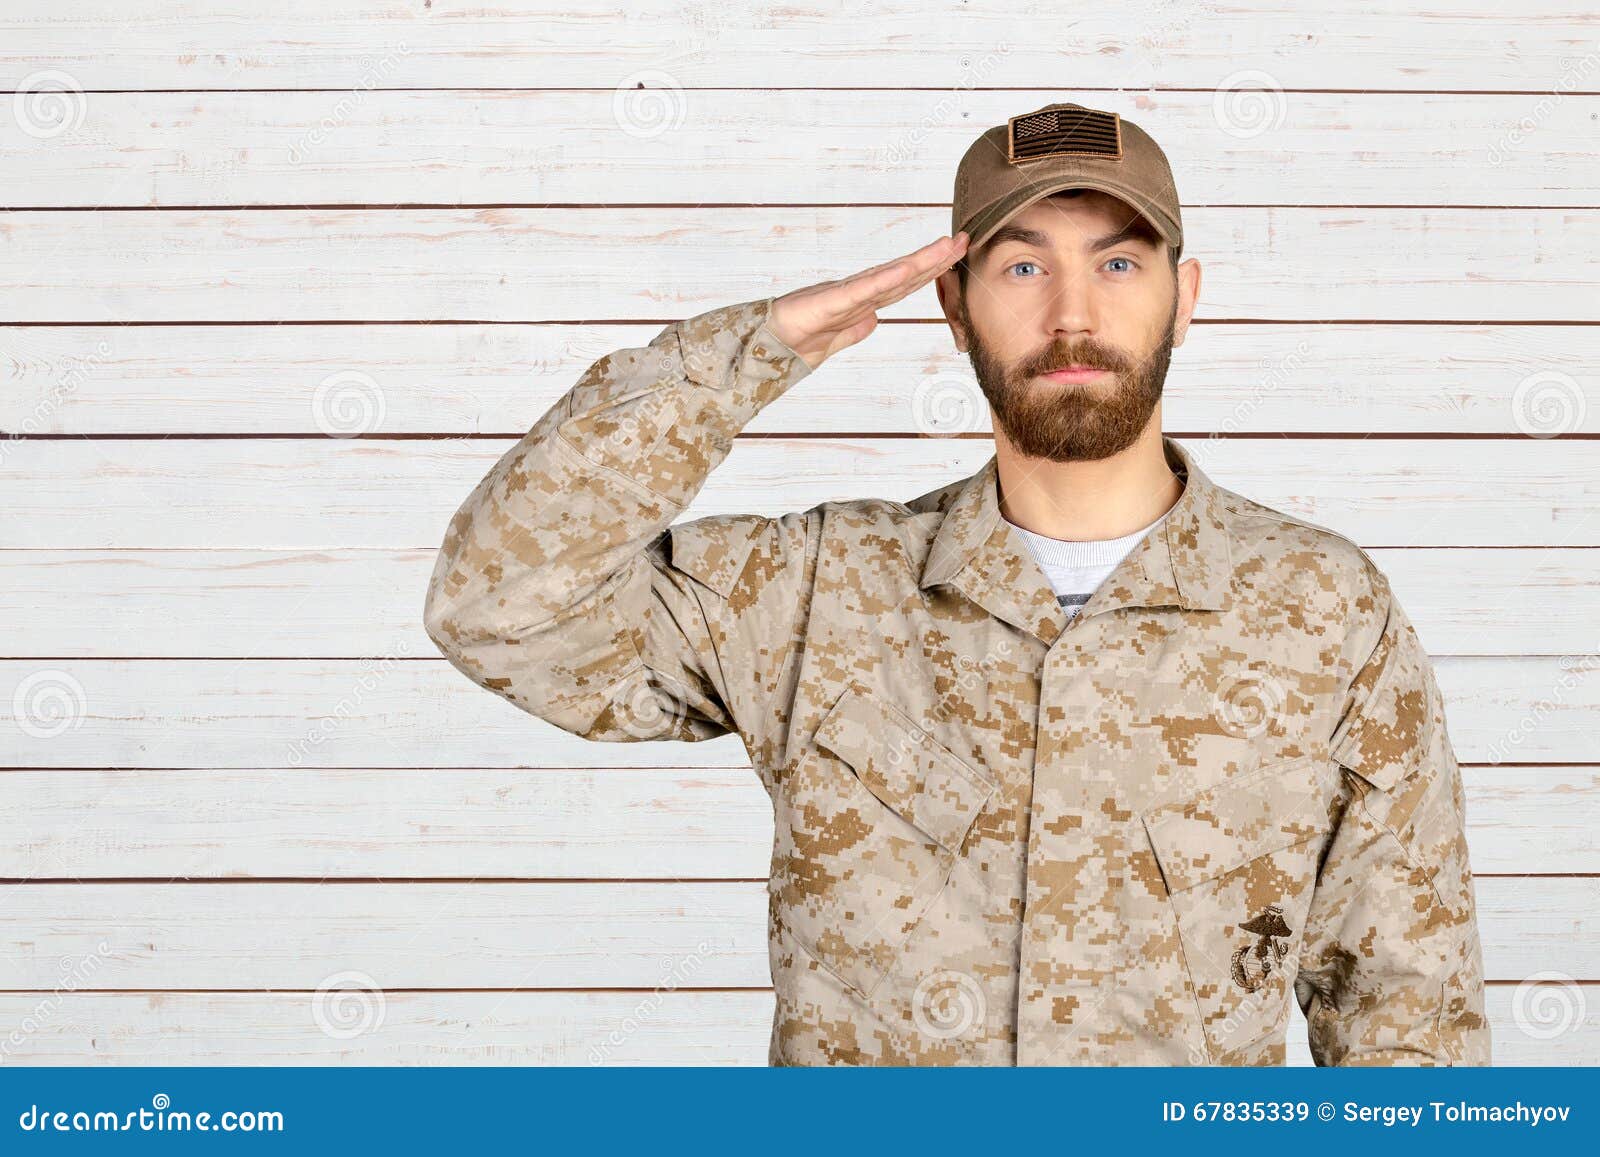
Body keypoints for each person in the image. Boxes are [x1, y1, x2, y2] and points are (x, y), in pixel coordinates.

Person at [423, 101, 1490, 1066]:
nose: (1072, 314)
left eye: (1118, 265)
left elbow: (1409, 1026)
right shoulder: (811, 591)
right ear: (953, 302)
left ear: (1183, 297)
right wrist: (751, 352)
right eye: (1022, 267)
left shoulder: (1324, 611)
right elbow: (499, 606)